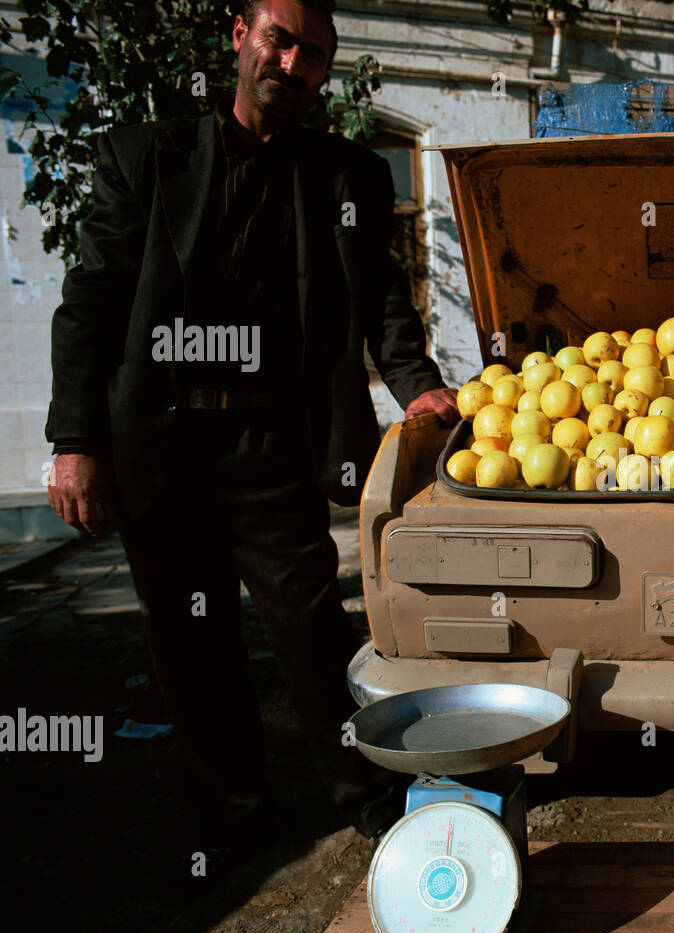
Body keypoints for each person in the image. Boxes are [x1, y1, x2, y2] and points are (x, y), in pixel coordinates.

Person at [44, 0, 458, 869]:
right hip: (163, 449)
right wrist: (75, 442)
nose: (293, 62)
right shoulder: (145, 160)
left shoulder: (347, 176)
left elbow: (383, 302)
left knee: (311, 631)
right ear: (240, 37)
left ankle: (371, 794)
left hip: (272, 448)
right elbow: (90, 303)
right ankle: (231, 814)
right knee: (191, 644)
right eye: (280, 38)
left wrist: (419, 390)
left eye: (314, 53)